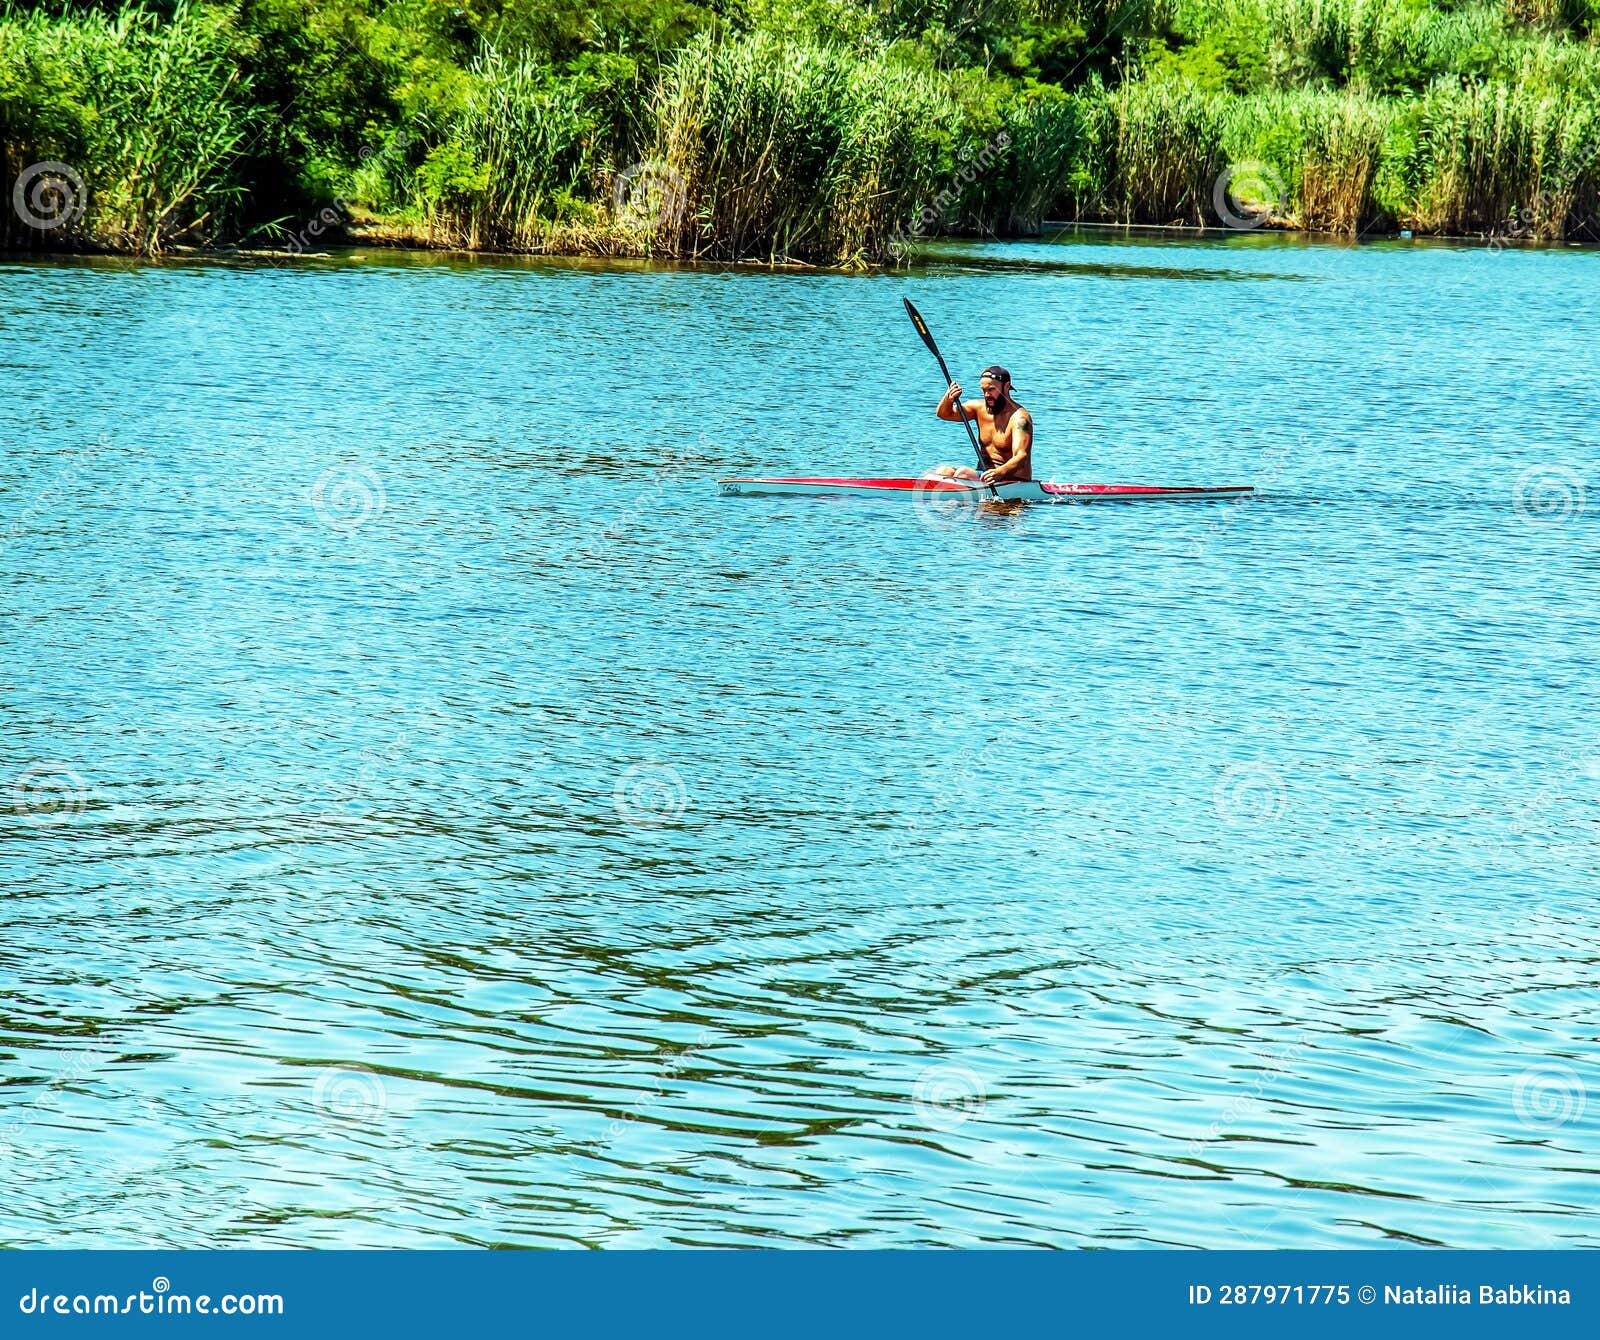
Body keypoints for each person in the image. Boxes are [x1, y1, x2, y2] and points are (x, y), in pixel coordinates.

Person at [928, 365, 1033, 484]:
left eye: (991, 389)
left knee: (963, 474)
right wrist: (949, 397)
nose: (987, 395)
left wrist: (999, 472)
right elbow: (944, 414)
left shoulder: (1020, 418)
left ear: (1006, 386)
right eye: (983, 390)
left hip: (1013, 479)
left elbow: (1021, 456)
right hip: (984, 475)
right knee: (943, 471)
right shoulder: (978, 408)